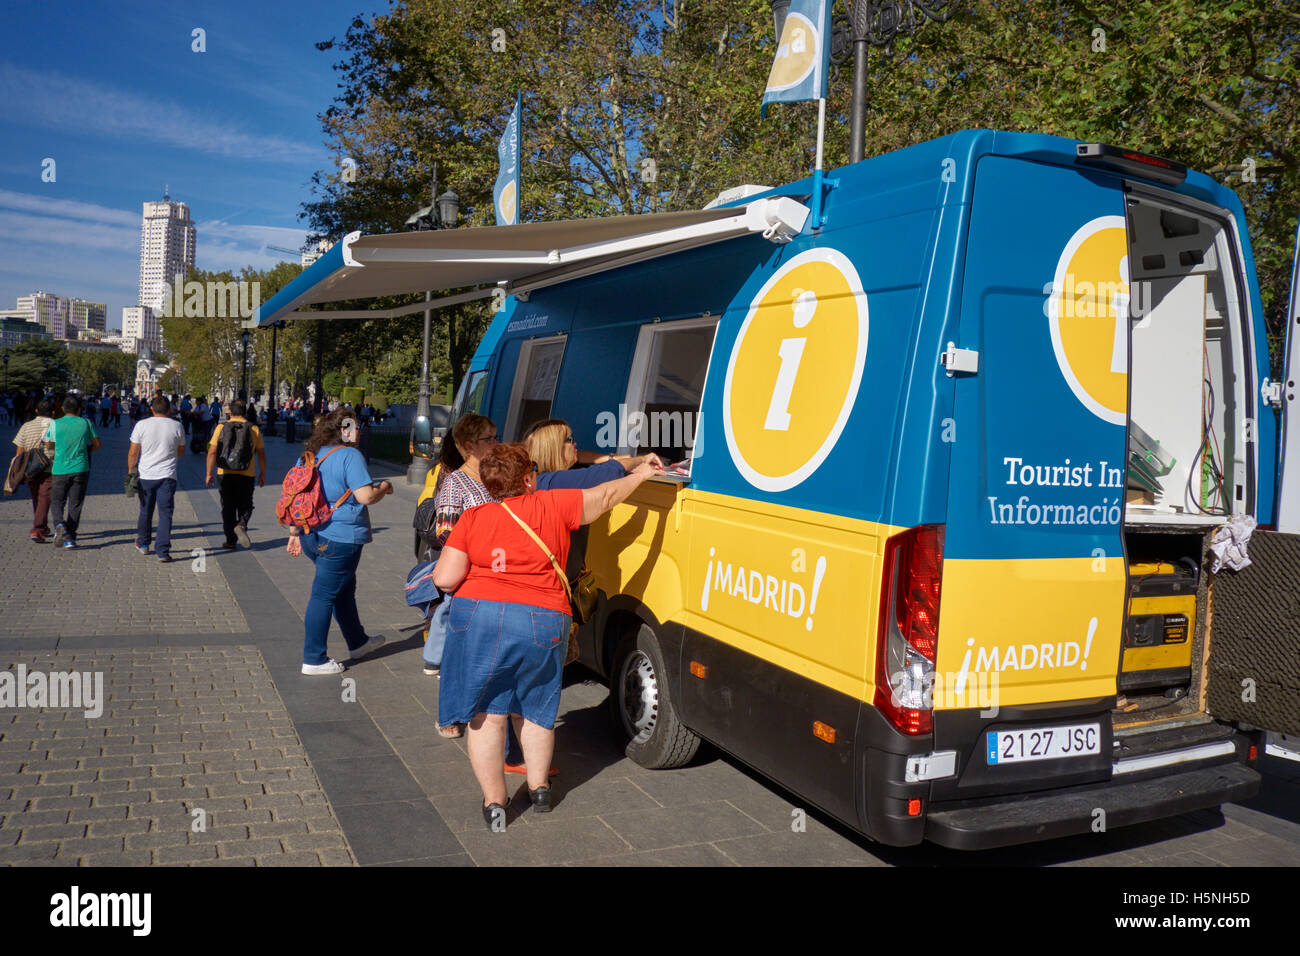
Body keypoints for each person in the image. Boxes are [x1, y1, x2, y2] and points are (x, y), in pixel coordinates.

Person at [433, 442, 662, 829]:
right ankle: (539, 788)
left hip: (480, 618)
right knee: (537, 706)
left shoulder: (472, 518)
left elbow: (444, 577)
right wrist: (642, 472)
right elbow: (605, 495)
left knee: (487, 716)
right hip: (542, 617)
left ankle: (495, 803)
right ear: (526, 478)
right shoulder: (553, 504)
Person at [286, 409, 394, 675]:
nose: (359, 432)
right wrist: (384, 487)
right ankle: (314, 659)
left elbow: (296, 496)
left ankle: (357, 642)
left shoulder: (309, 456)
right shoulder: (350, 455)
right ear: (345, 430)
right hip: (340, 537)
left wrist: (294, 533)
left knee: (342, 588)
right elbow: (365, 497)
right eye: (356, 427)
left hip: (312, 533)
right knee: (324, 595)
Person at [415, 414, 499, 702]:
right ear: (468, 445)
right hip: (470, 571)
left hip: (494, 570)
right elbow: (445, 533)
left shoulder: (494, 477)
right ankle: (445, 683)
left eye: (495, 436)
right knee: (459, 626)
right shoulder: (455, 482)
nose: (495, 443)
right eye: (489, 439)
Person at [127, 395, 185, 562]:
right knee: (165, 513)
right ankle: (163, 551)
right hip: (168, 475)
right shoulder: (177, 426)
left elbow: (133, 452)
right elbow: (181, 452)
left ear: (151, 408)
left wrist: (131, 471)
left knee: (146, 510)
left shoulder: (141, 425)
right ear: (169, 410)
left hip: (146, 475)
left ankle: (144, 544)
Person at [206, 399, 266, 549]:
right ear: (245, 411)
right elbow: (261, 454)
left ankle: (230, 541)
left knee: (228, 506)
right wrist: (262, 473)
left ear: (230, 412)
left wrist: (209, 473)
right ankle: (242, 524)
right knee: (246, 503)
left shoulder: (221, 427)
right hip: (247, 473)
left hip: (225, 472)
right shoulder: (253, 429)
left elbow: (212, 451)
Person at [45, 394, 101, 549]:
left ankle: (58, 524)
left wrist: (61, 447)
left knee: (57, 501)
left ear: (62, 408)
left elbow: (49, 444)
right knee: (75, 503)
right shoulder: (86, 422)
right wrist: (86, 449)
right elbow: (97, 444)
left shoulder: (55, 424)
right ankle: (70, 538)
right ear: (79, 409)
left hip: (60, 468)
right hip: (81, 468)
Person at [12, 399, 54, 542]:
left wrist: (18, 468)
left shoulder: (26, 426)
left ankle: (42, 526)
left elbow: (20, 449)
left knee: (36, 496)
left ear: (36, 411)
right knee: (44, 496)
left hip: (30, 467)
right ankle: (38, 528)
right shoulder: (55, 426)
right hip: (49, 466)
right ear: (53, 412)